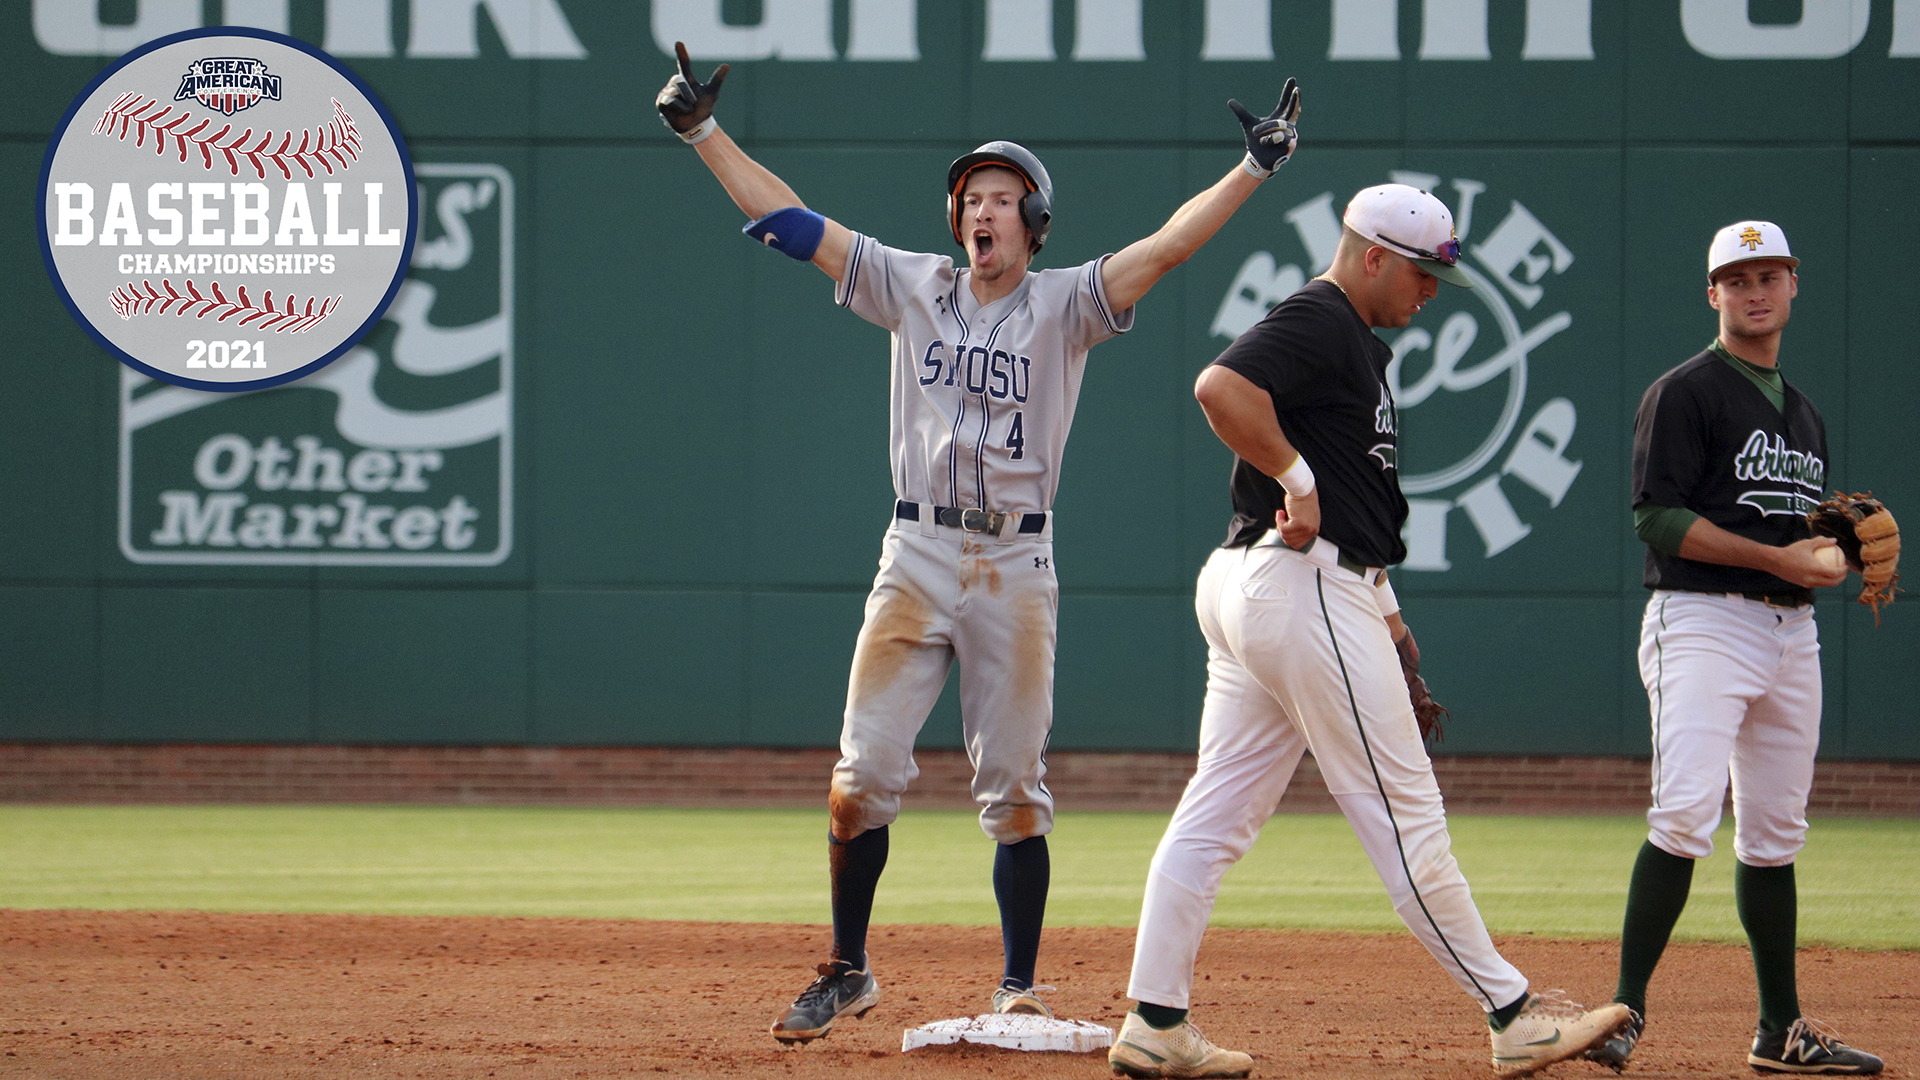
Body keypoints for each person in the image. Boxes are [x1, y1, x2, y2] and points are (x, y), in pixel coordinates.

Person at [652, 43, 1304, 1044]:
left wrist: (1253, 170)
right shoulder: (912, 286)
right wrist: (703, 132)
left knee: (1014, 788)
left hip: (1015, 565)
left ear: (1034, 222)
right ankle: (847, 969)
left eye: (1002, 197)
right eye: (971, 199)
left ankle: (1018, 986)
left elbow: (1169, 247)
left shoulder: (1069, 303)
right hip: (913, 553)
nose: (982, 211)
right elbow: (789, 223)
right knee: (859, 777)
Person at [1109, 184, 1633, 1079]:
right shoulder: (1323, 316)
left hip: (1268, 585)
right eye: (1424, 274)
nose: (1432, 293)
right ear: (1374, 255)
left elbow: (1357, 496)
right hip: (1298, 584)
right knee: (1404, 813)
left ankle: (1155, 1023)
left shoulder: (1358, 343)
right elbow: (1219, 387)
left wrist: (1387, 618)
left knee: (1214, 817)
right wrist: (1299, 483)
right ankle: (1512, 1014)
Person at [1586, 221, 1883, 1075]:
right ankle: (1621, 1012)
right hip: (1703, 621)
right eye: (1737, 277)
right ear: (1712, 293)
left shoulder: (1806, 415)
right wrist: (1778, 556)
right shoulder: (1686, 392)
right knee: (1682, 814)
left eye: (1770, 275)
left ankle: (1779, 1031)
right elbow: (1657, 516)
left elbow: (1800, 535)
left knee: (1776, 835)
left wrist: (1837, 551)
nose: (1755, 291)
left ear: (1794, 284)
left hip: (1794, 632)